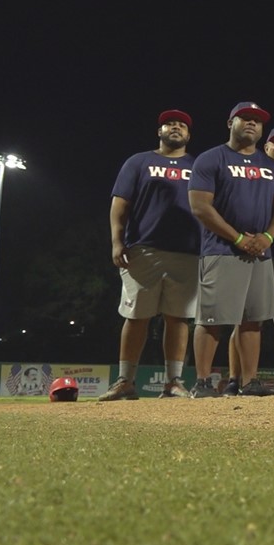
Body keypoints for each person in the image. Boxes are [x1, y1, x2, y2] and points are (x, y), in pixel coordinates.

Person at [187, 102, 274, 398]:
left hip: (260, 253)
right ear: (230, 122)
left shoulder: (271, 166)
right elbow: (200, 206)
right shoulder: (211, 159)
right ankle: (204, 381)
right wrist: (237, 238)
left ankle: (249, 381)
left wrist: (268, 238)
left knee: (253, 320)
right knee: (212, 319)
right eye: (245, 118)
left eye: (257, 121)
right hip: (221, 250)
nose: (252, 124)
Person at [102, 109, 199, 401]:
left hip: (188, 251)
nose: (175, 127)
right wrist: (117, 242)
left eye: (181, 125)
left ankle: (174, 382)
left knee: (179, 318)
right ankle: (125, 381)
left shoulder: (198, 165)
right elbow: (120, 205)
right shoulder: (139, 161)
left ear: (188, 135)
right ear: (159, 131)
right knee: (136, 316)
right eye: (169, 123)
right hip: (143, 248)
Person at [226, 126, 274, 396]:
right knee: (243, 320)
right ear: (266, 148)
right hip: (253, 252)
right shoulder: (255, 172)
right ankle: (236, 379)